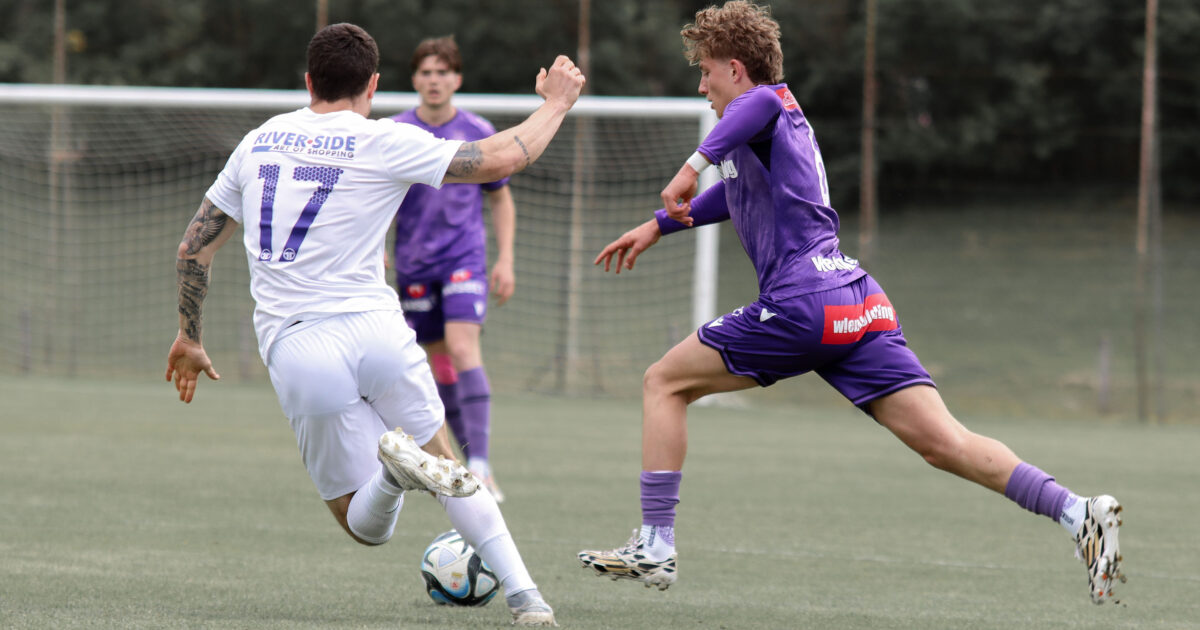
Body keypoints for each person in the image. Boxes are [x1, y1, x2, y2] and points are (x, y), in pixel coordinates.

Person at [577, 1, 1124, 605]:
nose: (701, 85)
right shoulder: (770, 133)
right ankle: (1077, 512)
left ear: (736, 68)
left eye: (706, 72)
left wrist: (690, 165)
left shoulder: (765, 104)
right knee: (945, 443)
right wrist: (659, 224)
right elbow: (735, 198)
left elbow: (756, 105)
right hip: (855, 302)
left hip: (803, 301)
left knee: (663, 383)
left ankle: (655, 543)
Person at [164, 23, 583, 626]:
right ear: (375, 85)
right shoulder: (385, 139)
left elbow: (193, 249)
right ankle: (528, 598)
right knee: (452, 470)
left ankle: (389, 476)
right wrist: (558, 103)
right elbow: (500, 157)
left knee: (363, 526)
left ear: (308, 81)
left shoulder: (257, 142)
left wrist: (190, 335)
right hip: (378, 333)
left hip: (299, 345)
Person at [389, 36, 516, 503]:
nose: (434, 80)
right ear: (414, 80)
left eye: (442, 72)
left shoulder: (477, 131)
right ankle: (460, 465)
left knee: (464, 349)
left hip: (464, 261)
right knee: (437, 363)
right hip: (415, 265)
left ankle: (482, 466)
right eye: (425, 72)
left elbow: (500, 196)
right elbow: (378, 194)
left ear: (457, 79)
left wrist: (505, 258)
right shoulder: (397, 131)